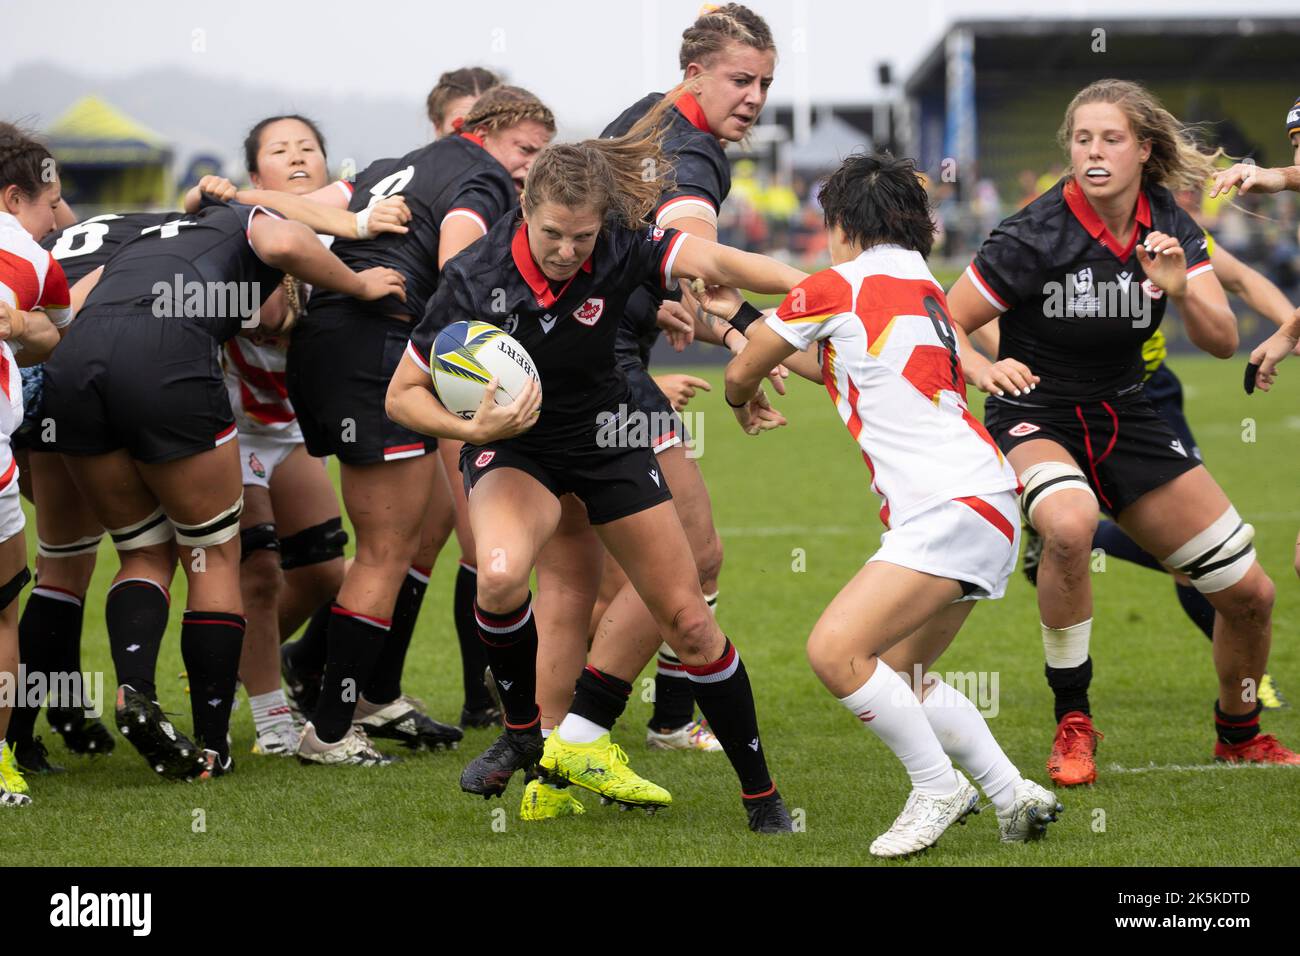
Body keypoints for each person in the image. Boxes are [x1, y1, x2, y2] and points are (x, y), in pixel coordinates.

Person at [387, 120, 806, 833]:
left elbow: (719, 259)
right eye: (554, 233)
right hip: (515, 445)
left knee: (692, 622)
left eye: (582, 237)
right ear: (526, 210)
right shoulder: (475, 276)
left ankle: (762, 797)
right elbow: (401, 395)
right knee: (497, 574)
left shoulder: (619, 246)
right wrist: (472, 431)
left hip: (609, 438)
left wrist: (816, 285)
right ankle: (524, 731)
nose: (567, 250)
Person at [946, 79, 1299, 787]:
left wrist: (1177, 286)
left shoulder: (1168, 219)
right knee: (1072, 525)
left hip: (1128, 416)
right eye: (1082, 139)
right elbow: (945, 319)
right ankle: (1073, 722)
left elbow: (1224, 340)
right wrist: (983, 367)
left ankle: (1239, 732)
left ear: (1143, 149)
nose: (1094, 151)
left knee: (1250, 595)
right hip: (1037, 413)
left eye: (1110, 139)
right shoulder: (1033, 232)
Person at [724, 150, 1062, 856]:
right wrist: (738, 316)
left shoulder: (833, 285)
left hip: (948, 503)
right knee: (903, 676)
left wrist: (741, 394)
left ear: (841, 223)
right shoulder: (923, 285)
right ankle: (1011, 794)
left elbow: (741, 370)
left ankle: (936, 787)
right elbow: (836, 365)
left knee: (834, 651)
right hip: (988, 499)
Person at [41, 191, 405, 779]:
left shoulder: (143, 239)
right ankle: (213, 744)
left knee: (141, 551)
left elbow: (66, 314)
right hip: (165, 358)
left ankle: (135, 691)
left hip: (77, 364)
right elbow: (285, 241)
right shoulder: (242, 221)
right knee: (211, 553)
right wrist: (359, 285)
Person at [284, 86, 554, 764]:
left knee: (425, 525)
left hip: (326, 345)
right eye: (524, 148)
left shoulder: (390, 165)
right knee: (384, 548)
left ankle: (356, 687)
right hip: (376, 349)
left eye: (540, 155)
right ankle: (329, 727)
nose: (528, 167)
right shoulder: (481, 175)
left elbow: (287, 215)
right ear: (481, 130)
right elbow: (459, 270)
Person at [0, 122, 72, 805]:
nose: (61, 221)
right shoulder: (26, 252)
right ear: (16, 195)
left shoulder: (27, 251)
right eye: (52, 204)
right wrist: (24, 326)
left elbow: (43, 331)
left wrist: (19, 326)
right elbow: (55, 328)